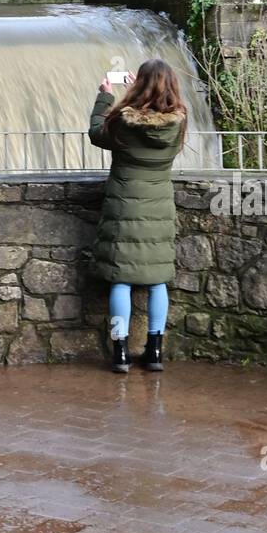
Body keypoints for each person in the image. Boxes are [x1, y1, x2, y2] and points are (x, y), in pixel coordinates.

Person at [87, 59, 187, 375]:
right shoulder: (178, 123)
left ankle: (120, 352)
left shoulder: (121, 122)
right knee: (157, 281)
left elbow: (95, 133)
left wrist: (106, 96)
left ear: (138, 84)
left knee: (121, 280)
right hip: (158, 208)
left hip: (123, 208)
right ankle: (154, 350)